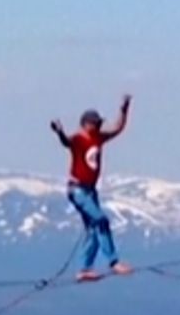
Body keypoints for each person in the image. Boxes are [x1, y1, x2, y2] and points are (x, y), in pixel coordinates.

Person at [50, 95, 133, 283]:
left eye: (98, 123)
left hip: (90, 190)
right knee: (101, 220)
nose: (98, 126)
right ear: (85, 124)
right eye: (94, 123)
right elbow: (66, 142)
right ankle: (113, 261)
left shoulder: (99, 138)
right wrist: (59, 132)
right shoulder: (79, 139)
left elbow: (118, 128)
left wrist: (124, 109)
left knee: (92, 228)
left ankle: (85, 269)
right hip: (77, 189)